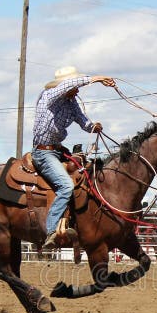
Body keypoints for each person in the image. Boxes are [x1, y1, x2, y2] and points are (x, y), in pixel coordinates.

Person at [32, 66, 116, 248]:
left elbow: (82, 120)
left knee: (86, 176)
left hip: (57, 150)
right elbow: (69, 84)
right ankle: (52, 230)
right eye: (74, 86)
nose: (77, 90)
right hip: (43, 153)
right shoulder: (49, 96)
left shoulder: (71, 103)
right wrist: (98, 78)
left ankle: (78, 222)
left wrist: (93, 127)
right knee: (66, 185)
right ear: (65, 85)